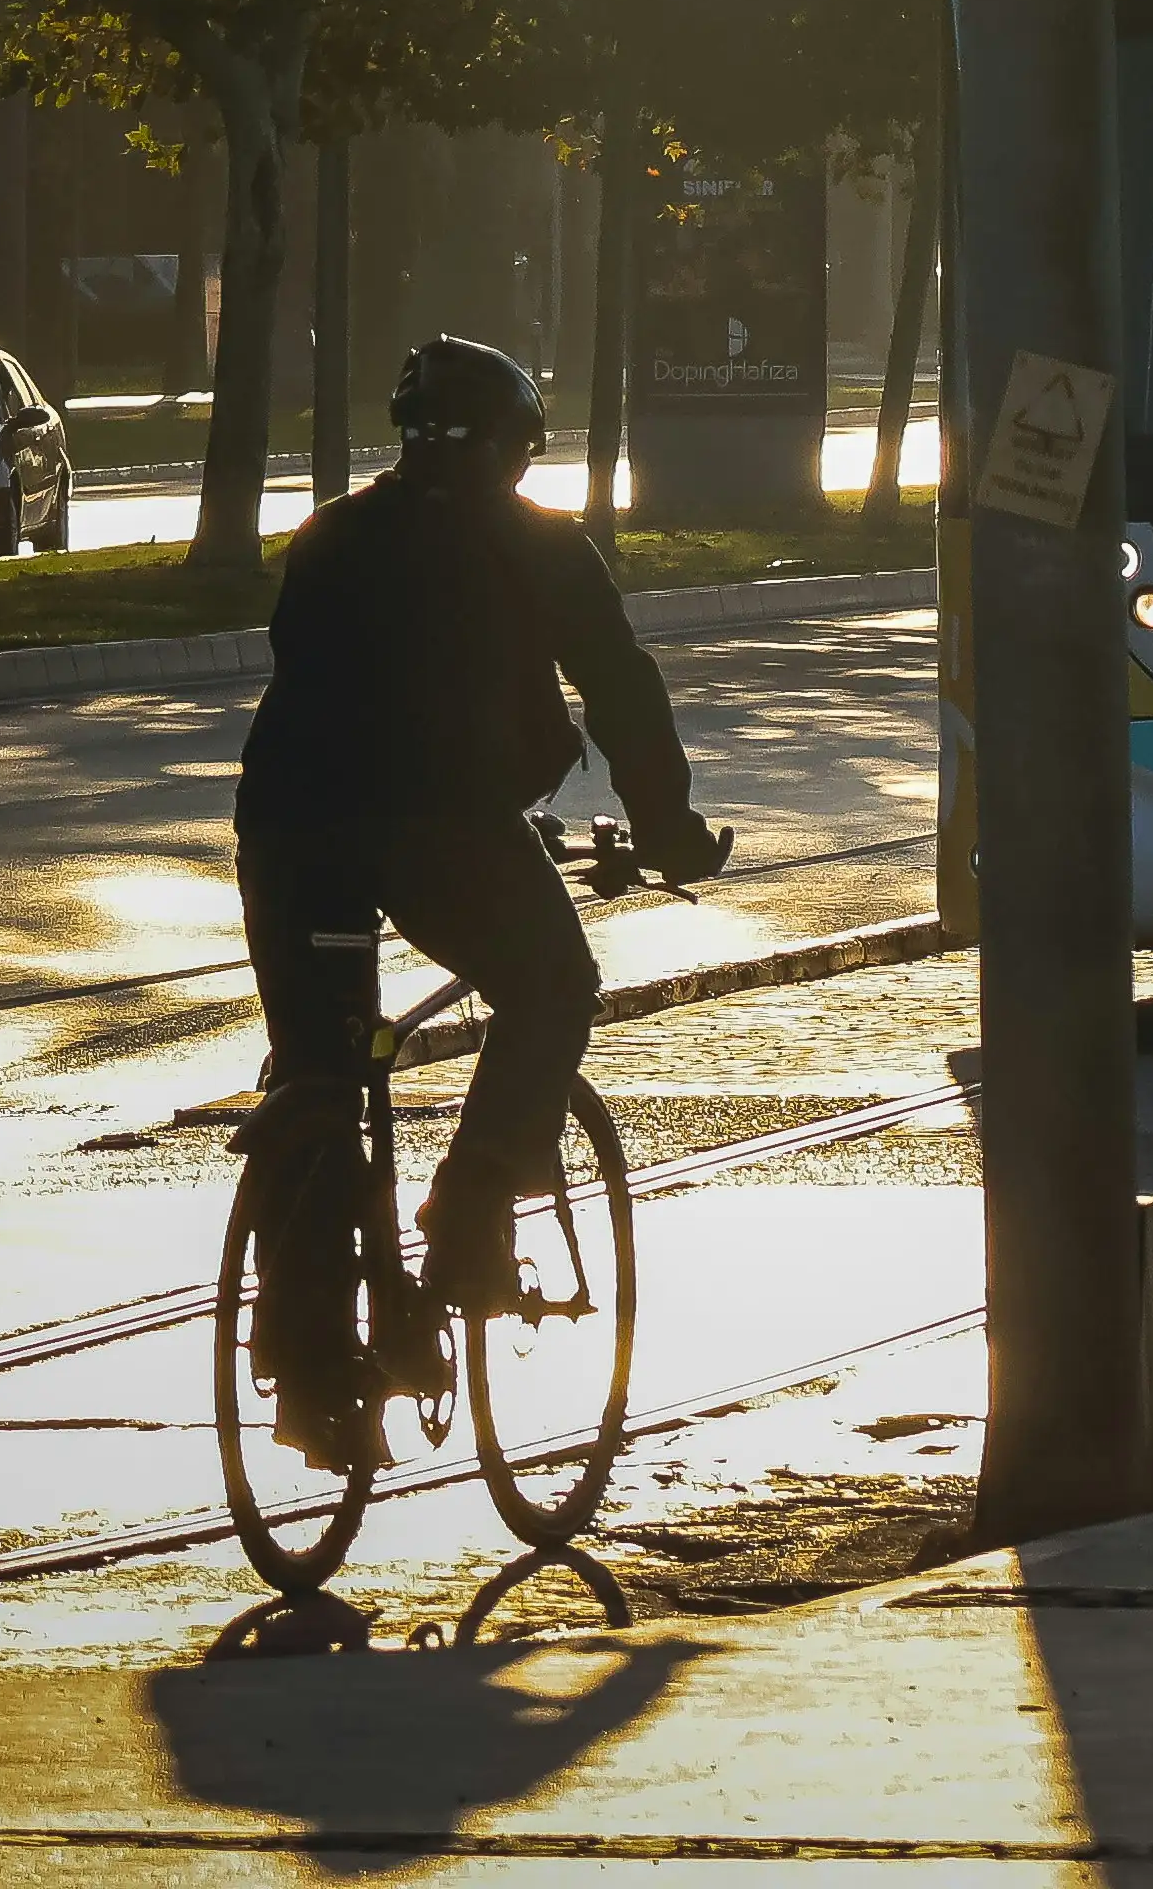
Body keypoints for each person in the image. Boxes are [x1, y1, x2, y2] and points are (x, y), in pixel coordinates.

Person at [232, 334, 731, 1466]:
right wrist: (670, 833)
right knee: (555, 987)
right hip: (445, 830)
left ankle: (314, 1380)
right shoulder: (542, 546)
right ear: (516, 450)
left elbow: (310, 673)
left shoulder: (333, 532)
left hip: (293, 831)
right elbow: (622, 691)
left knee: (316, 1068)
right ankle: (469, 1208)